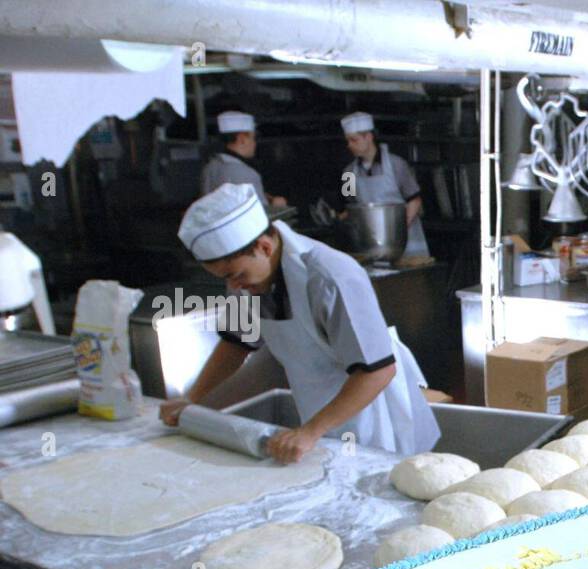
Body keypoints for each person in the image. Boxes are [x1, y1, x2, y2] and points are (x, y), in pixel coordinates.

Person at [163, 182, 439, 460]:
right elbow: (236, 342)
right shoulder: (245, 280)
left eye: (236, 274)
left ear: (264, 246)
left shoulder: (329, 275)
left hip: (369, 414)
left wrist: (310, 431)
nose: (234, 285)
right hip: (317, 416)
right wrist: (191, 399)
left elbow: (377, 371)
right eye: (225, 278)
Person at [338, 111, 429, 258]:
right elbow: (350, 206)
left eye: (354, 140)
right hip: (370, 244)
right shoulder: (348, 173)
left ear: (368, 137)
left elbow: (415, 200)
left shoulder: (397, 165)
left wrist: (399, 230)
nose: (349, 145)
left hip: (406, 243)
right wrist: (336, 219)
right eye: (347, 141)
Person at [199, 111, 287, 210]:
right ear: (242, 139)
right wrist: (276, 207)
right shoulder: (245, 173)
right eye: (253, 138)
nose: (254, 144)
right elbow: (260, 217)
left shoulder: (210, 167)